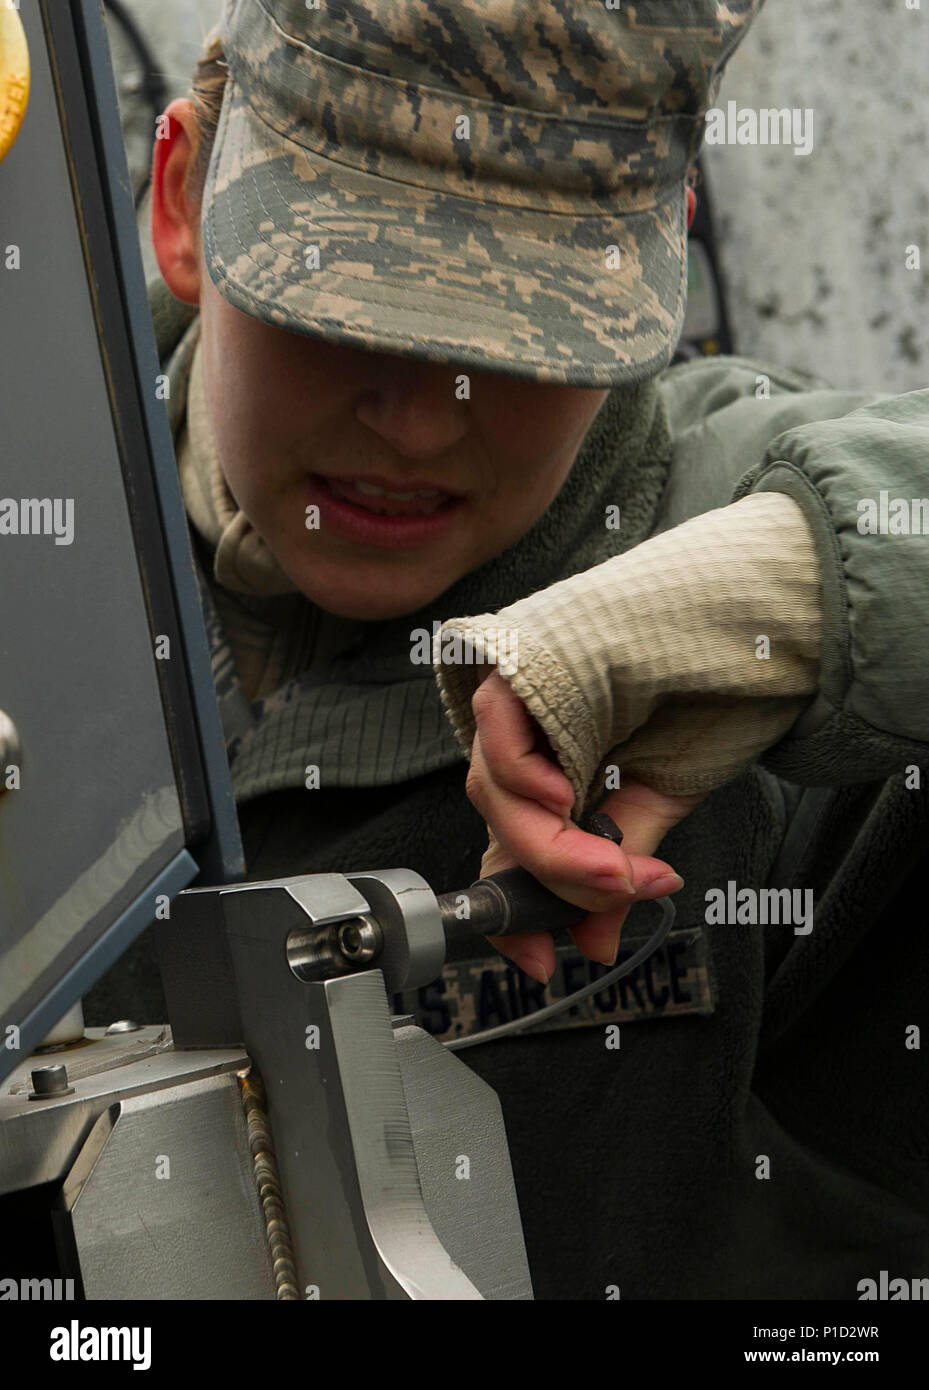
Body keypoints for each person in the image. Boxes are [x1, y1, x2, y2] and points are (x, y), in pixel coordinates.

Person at [114, 0, 928, 1299]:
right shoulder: (44, 532)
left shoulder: (738, 534)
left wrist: (815, 587)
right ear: (179, 201)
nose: (422, 427)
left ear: (662, 255)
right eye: (344, 307)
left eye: (520, 335)